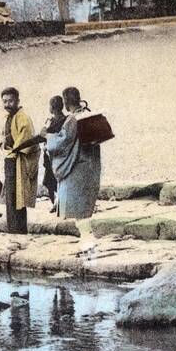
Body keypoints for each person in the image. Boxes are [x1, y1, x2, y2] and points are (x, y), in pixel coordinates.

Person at [43, 86, 102, 249]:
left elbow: (60, 143)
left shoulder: (72, 119)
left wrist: (47, 136)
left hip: (76, 167)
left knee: (78, 206)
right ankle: (87, 238)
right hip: (91, 165)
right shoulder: (87, 113)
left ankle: (87, 239)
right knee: (85, 204)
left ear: (66, 101)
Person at [0, 87, 39, 235]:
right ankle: (13, 231)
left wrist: (14, 149)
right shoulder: (8, 117)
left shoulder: (22, 117)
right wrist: (3, 143)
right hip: (10, 158)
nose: (7, 104)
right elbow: (6, 135)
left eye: (10, 101)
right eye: (4, 101)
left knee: (17, 198)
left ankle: (19, 231)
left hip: (18, 159)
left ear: (17, 101)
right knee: (11, 198)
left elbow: (26, 138)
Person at [42, 95, 66, 206]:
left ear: (52, 107)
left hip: (54, 155)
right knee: (51, 179)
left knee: (52, 180)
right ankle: (56, 204)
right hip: (50, 155)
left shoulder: (61, 121)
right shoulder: (56, 120)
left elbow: (44, 134)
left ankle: (57, 204)